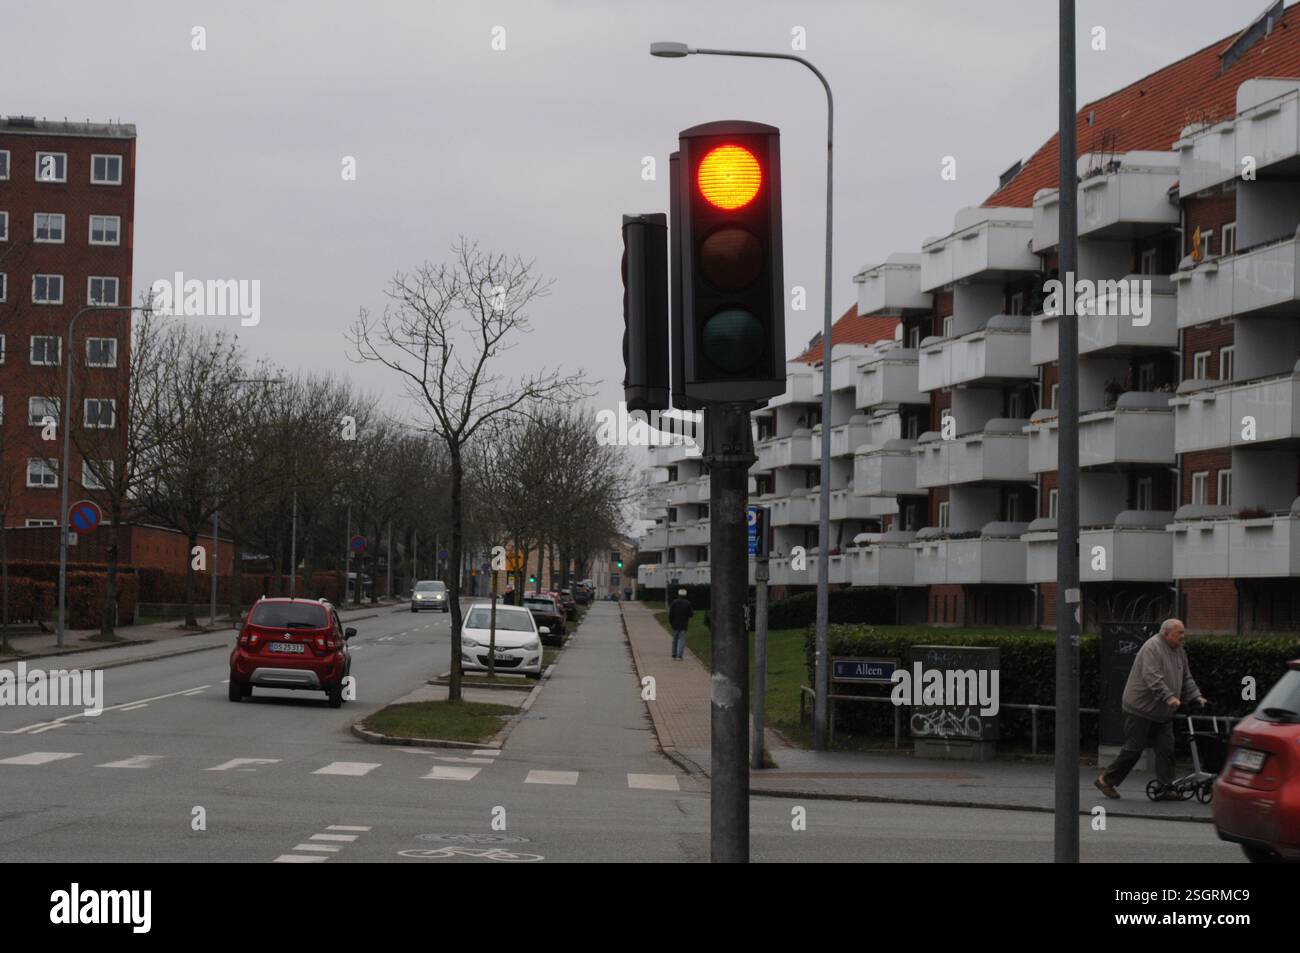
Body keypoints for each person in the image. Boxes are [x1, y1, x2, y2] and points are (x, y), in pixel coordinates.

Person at [1095, 618, 1208, 800]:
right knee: (1134, 749)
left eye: (1183, 633)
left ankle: (1167, 788)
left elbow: (1186, 677)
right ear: (1166, 633)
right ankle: (1106, 780)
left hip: (1162, 712)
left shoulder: (1179, 651)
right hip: (1140, 709)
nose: (1183, 636)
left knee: (1167, 749)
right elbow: (1152, 677)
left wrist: (1195, 695)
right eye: (1179, 633)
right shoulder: (1152, 647)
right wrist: (1169, 697)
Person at [668, 588, 694, 661]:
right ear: (685, 595)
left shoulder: (674, 602)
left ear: (678, 594)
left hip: (675, 624)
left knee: (675, 640)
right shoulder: (688, 603)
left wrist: (671, 622)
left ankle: (674, 654)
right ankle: (680, 655)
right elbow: (691, 614)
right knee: (682, 640)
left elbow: (671, 614)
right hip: (684, 624)